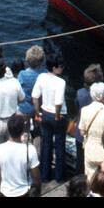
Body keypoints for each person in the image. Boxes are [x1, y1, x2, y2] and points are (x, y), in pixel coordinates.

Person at [31, 54, 69, 183]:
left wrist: (37, 113)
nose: (62, 68)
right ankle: (59, 176)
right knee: (59, 145)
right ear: (54, 68)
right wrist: (58, 115)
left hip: (45, 114)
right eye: (60, 66)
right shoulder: (61, 82)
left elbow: (35, 96)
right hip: (57, 116)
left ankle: (44, 175)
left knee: (46, 144)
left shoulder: (41, 77)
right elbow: (58, 102)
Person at [0, 113, 40, 198]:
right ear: (22, 131)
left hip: (4, 192)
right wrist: (38, 192)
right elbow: (36, 177)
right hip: (24, 192)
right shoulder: (30, 149)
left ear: (8, 130)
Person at [79, 81, 104, 179]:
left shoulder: (84, 110)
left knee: (89, 178)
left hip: (89, 149)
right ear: (102, 97)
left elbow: (82, 131)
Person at [17, 45, 44, 120]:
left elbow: (18, 90)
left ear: (28, 60)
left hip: (25, 108)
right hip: (40, 106)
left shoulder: (22, 74)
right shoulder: (46, 73)